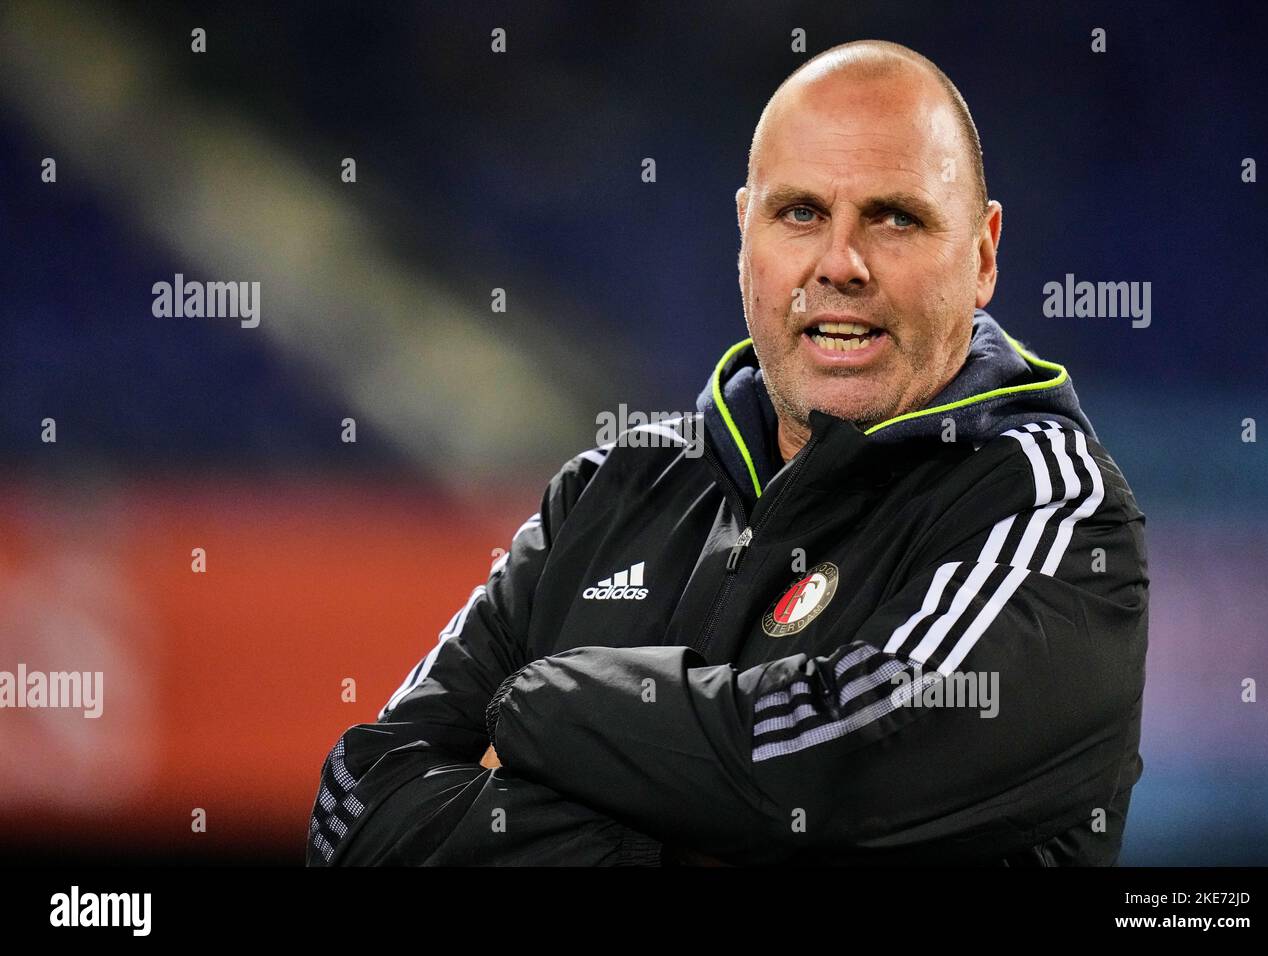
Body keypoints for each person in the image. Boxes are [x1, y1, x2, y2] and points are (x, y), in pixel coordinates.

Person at [307, 39, 1148, 867]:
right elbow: (358, 812)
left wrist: (541, 707)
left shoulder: (1047, 507)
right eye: (802, 214)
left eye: (897, 218)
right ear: (745, 233)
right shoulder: (610, 492)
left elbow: (843, 771)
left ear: (983, 254)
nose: (842, 264)